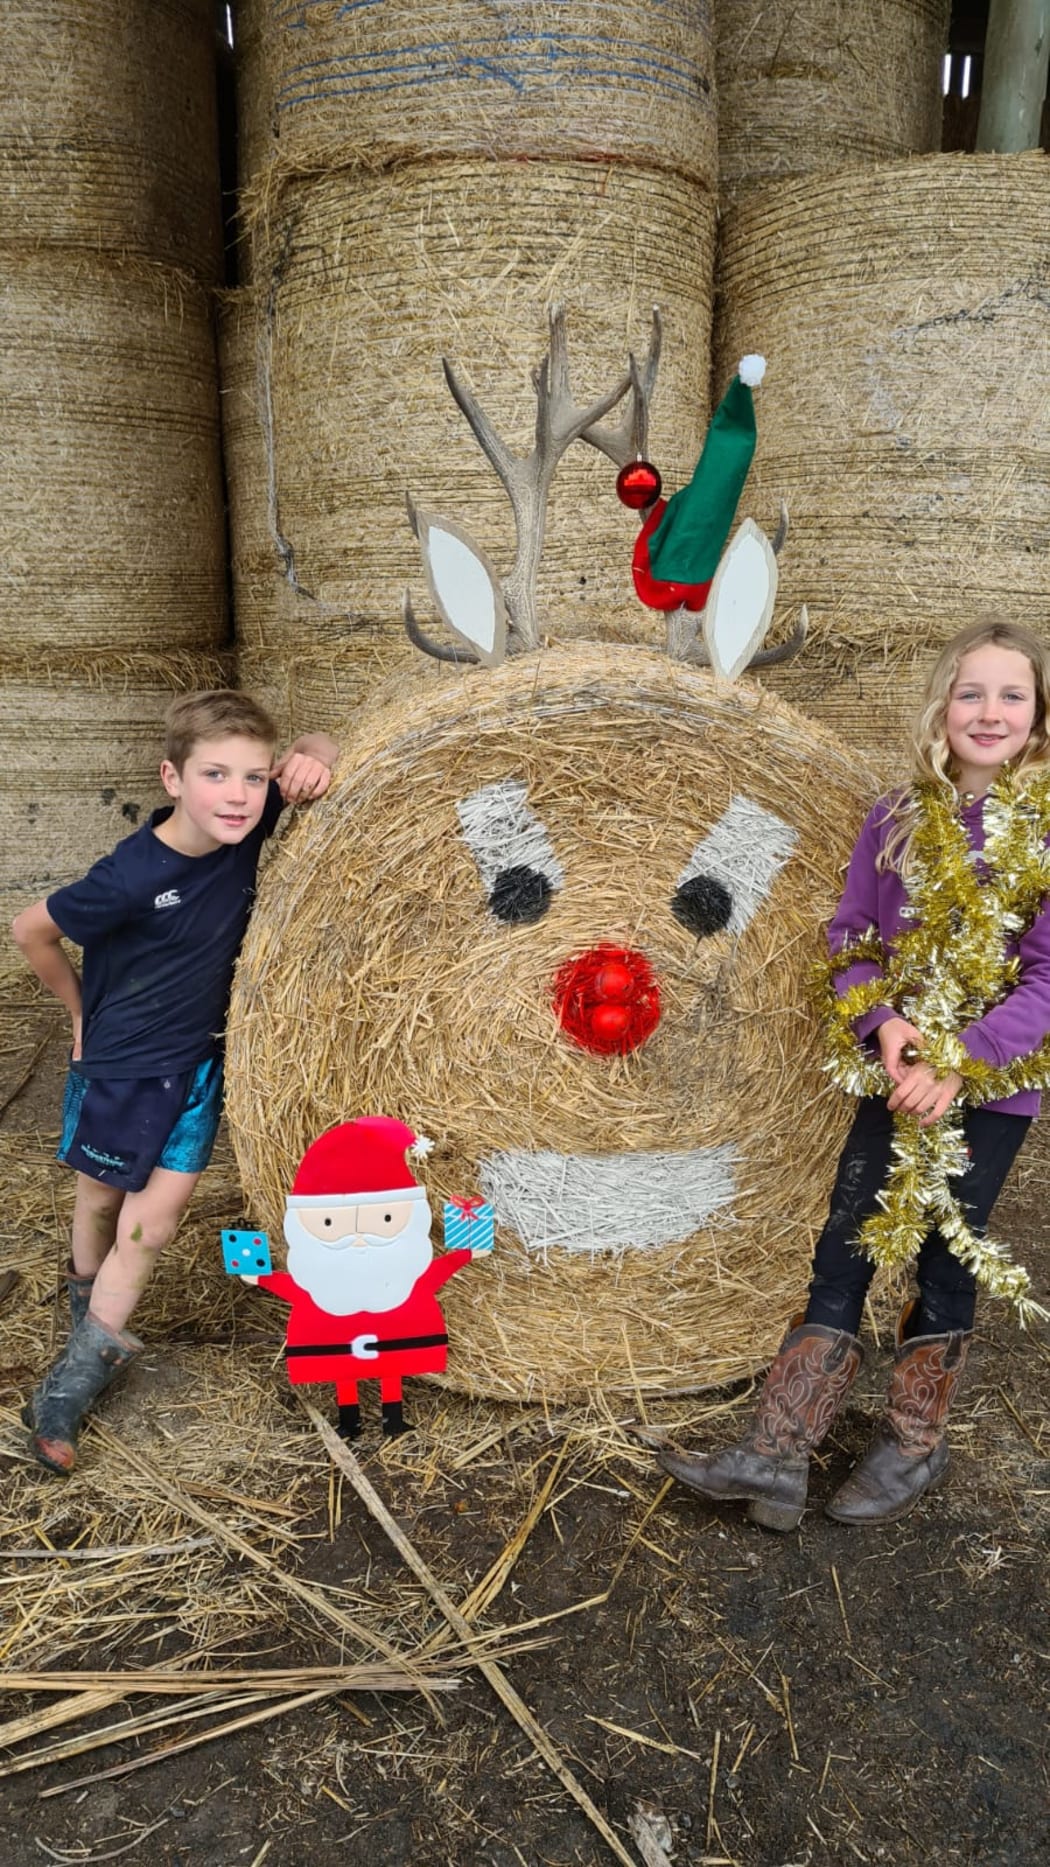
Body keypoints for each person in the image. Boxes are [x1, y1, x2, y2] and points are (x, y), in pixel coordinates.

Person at [659, 617, 1050, 1529]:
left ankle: (915, 1442)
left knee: (946, 1251)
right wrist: (886, 1025)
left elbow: (1046, 977)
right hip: (897, 1072)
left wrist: (961, 1060)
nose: (989, 712)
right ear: (942, 706)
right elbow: (853, 939)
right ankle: (776, 1453)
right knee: (846, 1240)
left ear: (1039, 717)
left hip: (994, 1087)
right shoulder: (896, 817)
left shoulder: (1044, 833)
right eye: (971, 692)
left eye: (1012, 695)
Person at [11, 689, 340, 1475]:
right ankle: (84, 1316)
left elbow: (325, 738)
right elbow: (30, 929)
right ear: (172, 778)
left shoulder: (249, 821)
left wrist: (313, 758)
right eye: (215, 774)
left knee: (149, 1226)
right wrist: (78, 1010)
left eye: (255, 776)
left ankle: (68, 1389)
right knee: (100, 1200)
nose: (239, 794)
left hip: (194, 1069)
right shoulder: (129, 876)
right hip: (121, 1066)